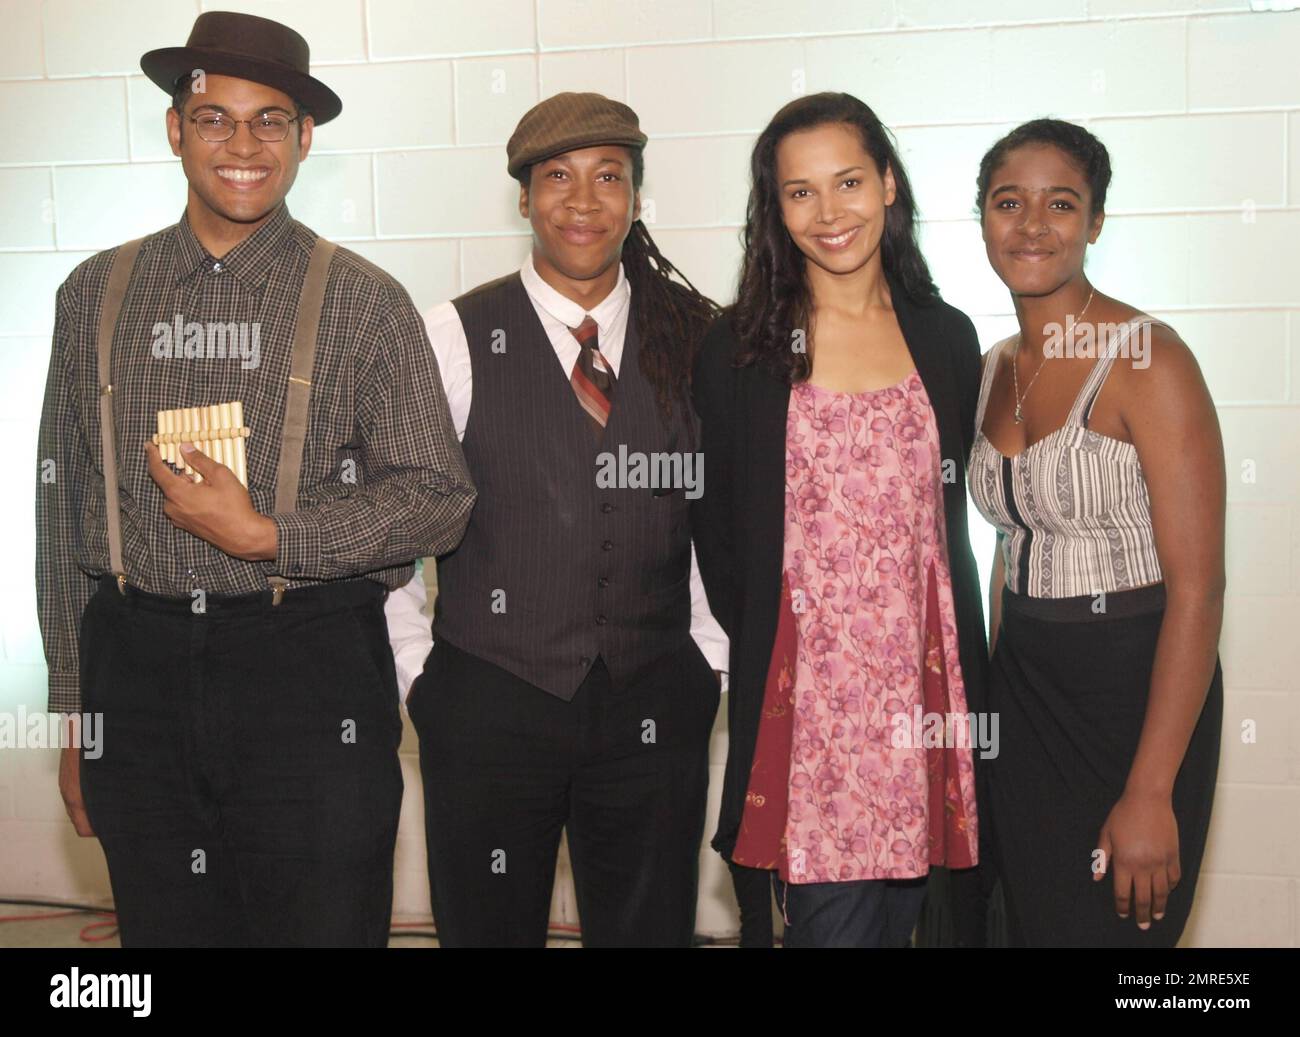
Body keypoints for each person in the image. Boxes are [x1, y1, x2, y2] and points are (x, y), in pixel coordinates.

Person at [35, 11, 474, 947]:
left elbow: (439, 497)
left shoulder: (365, 301)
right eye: (214, 119)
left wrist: (272, 535)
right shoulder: (93, 295)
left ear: (306, 136)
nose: (243, 145)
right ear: (173, 129)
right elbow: (61, 509)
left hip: (307, 674)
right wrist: (77, 717)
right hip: (135, 671)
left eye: (270, 120)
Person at [385, 92, 727, 947]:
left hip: (655, 701)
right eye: (557, 178)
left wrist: (706, 667)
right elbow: (390, 518)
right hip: (490, 701)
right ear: (525, 198)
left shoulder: (698, 337)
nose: (583, 201)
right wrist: (421, 678)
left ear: (637, 196)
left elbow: (721, 521)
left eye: (608, 176)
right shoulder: (453, 336)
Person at [691, 92, 990, 948]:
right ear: (775, 209)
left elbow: (947, 526)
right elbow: (723, 543)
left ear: (889, 184)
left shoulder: (945, 337)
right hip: (813, 729)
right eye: (800, 192)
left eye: (850, 181)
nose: (830, 213)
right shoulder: (741, 351)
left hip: (930, 711)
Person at [967, 118, 1224, 946]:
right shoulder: (992, 365)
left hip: (1133, 693)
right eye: (1010, 202)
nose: (1032, 225)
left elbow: (1199, 587)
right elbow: (1011, 548)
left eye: (1061, 204)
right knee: (1031, 925)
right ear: (982, 216)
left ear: (1097, 220)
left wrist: (1151, 786)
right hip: (1026, 694)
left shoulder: (1149, 358)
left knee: (1120, 939)